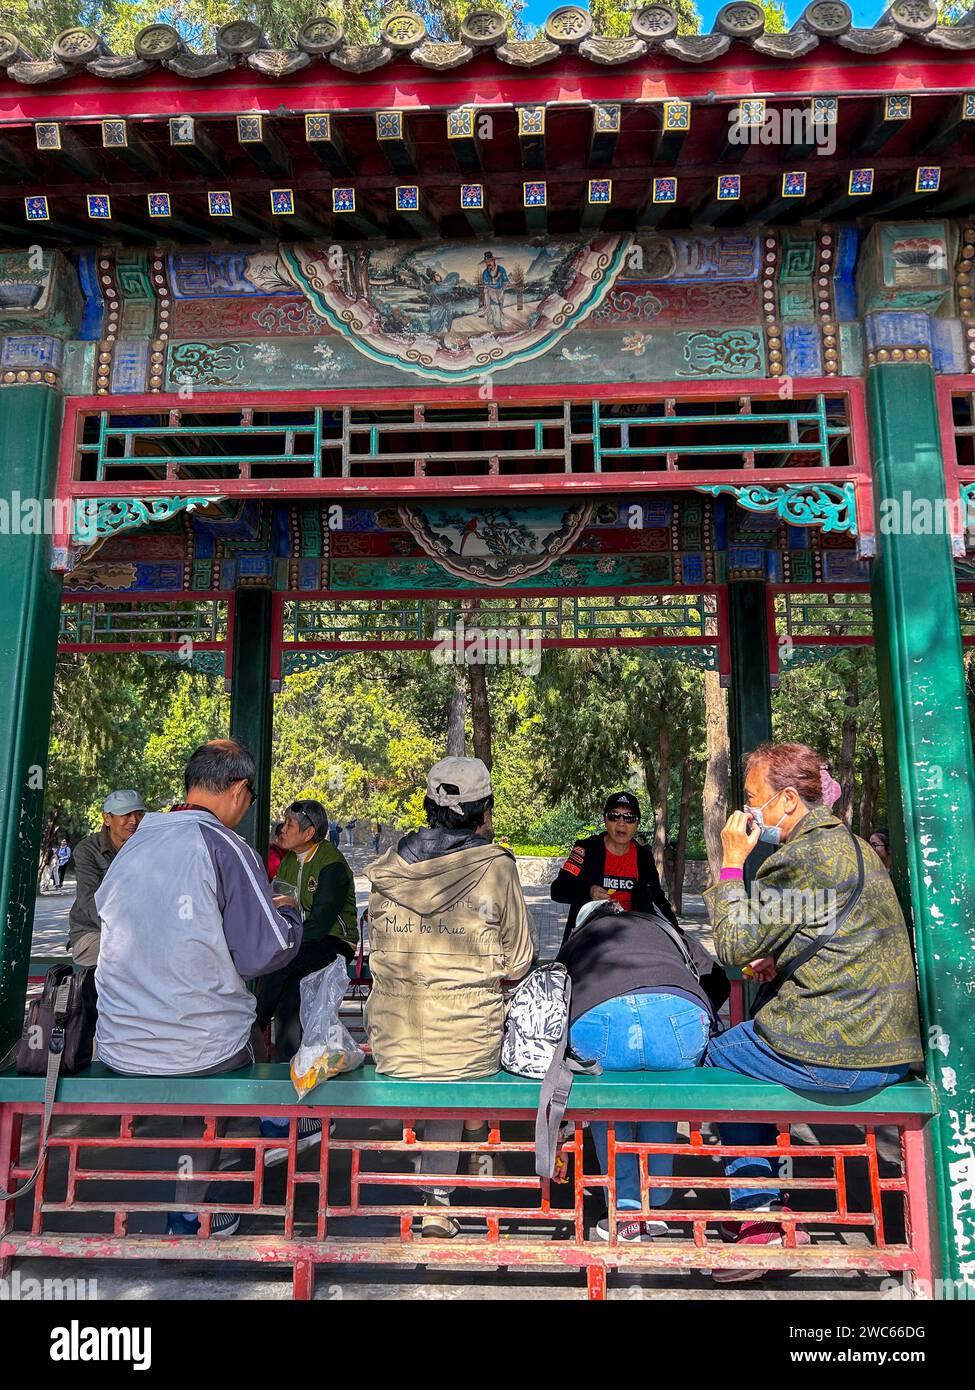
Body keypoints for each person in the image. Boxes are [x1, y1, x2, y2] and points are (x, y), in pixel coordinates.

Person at [703, 741, 923, 1282]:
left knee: (722, 1054)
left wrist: (732, 864)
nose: (747, 813)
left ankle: (758, 1220)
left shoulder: (799, 856)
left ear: (784, 801)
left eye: (752, 799)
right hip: (890, 1045)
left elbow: (732, 948)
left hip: (842, 1049)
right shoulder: (853, 847)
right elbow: (829, 931)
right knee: (750, 1042)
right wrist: (779, 959)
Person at [94, 739, 303, 1237]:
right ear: (237, 789)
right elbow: (264, 952)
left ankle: (197, 1199)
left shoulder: (136, 843)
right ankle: (268, 1137)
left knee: (211, 1025)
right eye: (249, 797)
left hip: (119, 1043)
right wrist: (289, 913)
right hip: (197, 1048)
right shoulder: (225, 846)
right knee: (237, 1039)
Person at [366, 756, 534, 1238]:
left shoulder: (386, 870)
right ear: (485, 811)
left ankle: (456, 1166)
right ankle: (444, 1189)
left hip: (391, 1044)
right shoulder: (496, 867)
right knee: (460, 1052)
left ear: (427, 805)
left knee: (434, 1051)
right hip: (466, 1046)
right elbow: (519, 962)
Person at [558, 899, 728, 1242]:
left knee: (606, 1100)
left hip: (602, 1018)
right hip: (676, 1013)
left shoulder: (578, 939)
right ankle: (655, 1200)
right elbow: (718, 980)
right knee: (662, 1093)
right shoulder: (659, 927)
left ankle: (625, 1211)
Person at [550, 792, 678, 945]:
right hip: (589, 938)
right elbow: (557, 890)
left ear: (637, 824)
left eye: (629, 817)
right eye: (614, 816)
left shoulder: (643, 857)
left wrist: (677, 933)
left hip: (633, 937)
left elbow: (658, 899)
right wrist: (589, 891)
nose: (621, 823)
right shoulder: (586, 850)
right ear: (605, 820)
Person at [68, 789, 146, 967]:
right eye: (126, 815)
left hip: (140, 932)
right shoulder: (87, 850)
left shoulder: (149, 846)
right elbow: (89, 900)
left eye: (139, 814)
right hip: (93, 931)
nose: (134, 821)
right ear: (107, 819)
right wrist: (126, 933)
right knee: (129, 958)